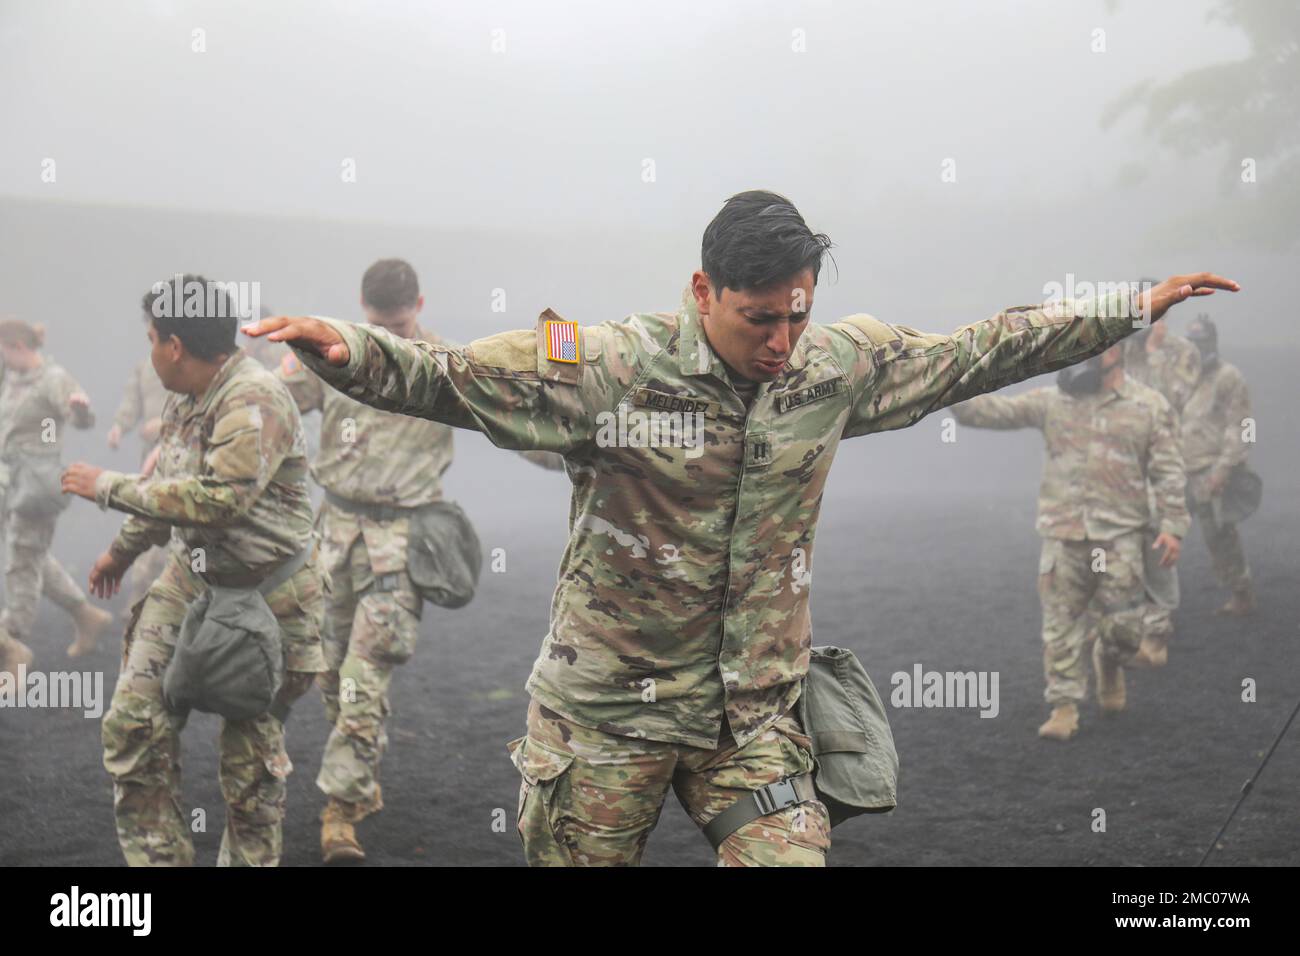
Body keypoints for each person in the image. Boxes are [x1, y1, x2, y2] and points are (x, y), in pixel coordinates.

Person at [246, 190, 1237, 866]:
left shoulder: (833, 368)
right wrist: (346, 350)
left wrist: (1123, 307)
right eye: (758, 317)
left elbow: (983, 348)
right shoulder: (612, 367)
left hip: (752, 717)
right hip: (607, 715)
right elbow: (450, 376)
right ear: (701, 292)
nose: (780, 341)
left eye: (797, 317)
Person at [280, 258, 560, 864]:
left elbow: (505, 417)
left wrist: (573, 449)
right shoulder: (339, 354)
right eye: (380, 324)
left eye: (401, 325)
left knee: (363, 676)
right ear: (363, 310)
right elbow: (275, 403)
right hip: (334, 538)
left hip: (401, 547)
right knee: (329, 675)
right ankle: (360, 773)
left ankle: (340, 814)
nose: (391, 337)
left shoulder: (444, 365)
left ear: (421, 308)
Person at [61, 274, 326, 867]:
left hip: (270, 595)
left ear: (174, 345)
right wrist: (123, 551)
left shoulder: (252, 399)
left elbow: (216, 499)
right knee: (133, 725)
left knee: (249, 764)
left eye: (152, 337)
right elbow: (170, 488)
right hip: (193, 578)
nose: (149, 350)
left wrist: (105, 486)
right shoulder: (187, 397)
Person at [951, 344, 1189, 739]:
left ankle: (1108, 663)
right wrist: (952, 383)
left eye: (1102, 347)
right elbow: (990, 413)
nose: (1090, 355)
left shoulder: (1149, 406)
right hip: (1063, 536)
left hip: (1119, 537)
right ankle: (1064, 708)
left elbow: (1168, 471)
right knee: (1060, 626)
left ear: (1120, 352)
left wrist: (1173, 526)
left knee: (1126, 632)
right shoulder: (1054, 401)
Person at [0, 319, 111, 673]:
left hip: (37, 481)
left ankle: (10, 643)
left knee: (22, 559)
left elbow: (78, 418)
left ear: (18, 346)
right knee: (30, 554)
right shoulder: (11, 376)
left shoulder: (53, 379)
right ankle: (85, 614)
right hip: (10, 477)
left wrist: (77, 411)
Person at [1122, 312, 1202, 667]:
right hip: (1123, 463)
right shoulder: (1122, 349)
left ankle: (1156, 636)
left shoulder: (1183, 353)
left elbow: (1171, 400)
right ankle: (1129, 628)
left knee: (1158, 541)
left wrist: (1153, 352)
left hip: (1162, 459)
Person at [1181, 315, 1256, 615]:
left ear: (1212, 343)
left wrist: (1225, 468)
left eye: (1200, 343)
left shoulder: (1229, 377)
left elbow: (1243, 426)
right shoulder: (1182, 378)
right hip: (1177, 469)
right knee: (1156, 532)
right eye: (1191, 344)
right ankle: (1150, 603)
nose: (1195, 350)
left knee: (1219, 535)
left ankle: (1241, 591)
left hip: (1210, 471)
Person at [107, 319, 172, 609]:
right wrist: (120, 427)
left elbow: (200, 405)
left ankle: (155, 596)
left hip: (179, 450)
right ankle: (140, 595)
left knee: (170, 524)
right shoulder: (145, 367)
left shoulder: (190, 362)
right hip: (151, 455)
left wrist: (164, 424)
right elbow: (131, 400)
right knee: (147, 514)